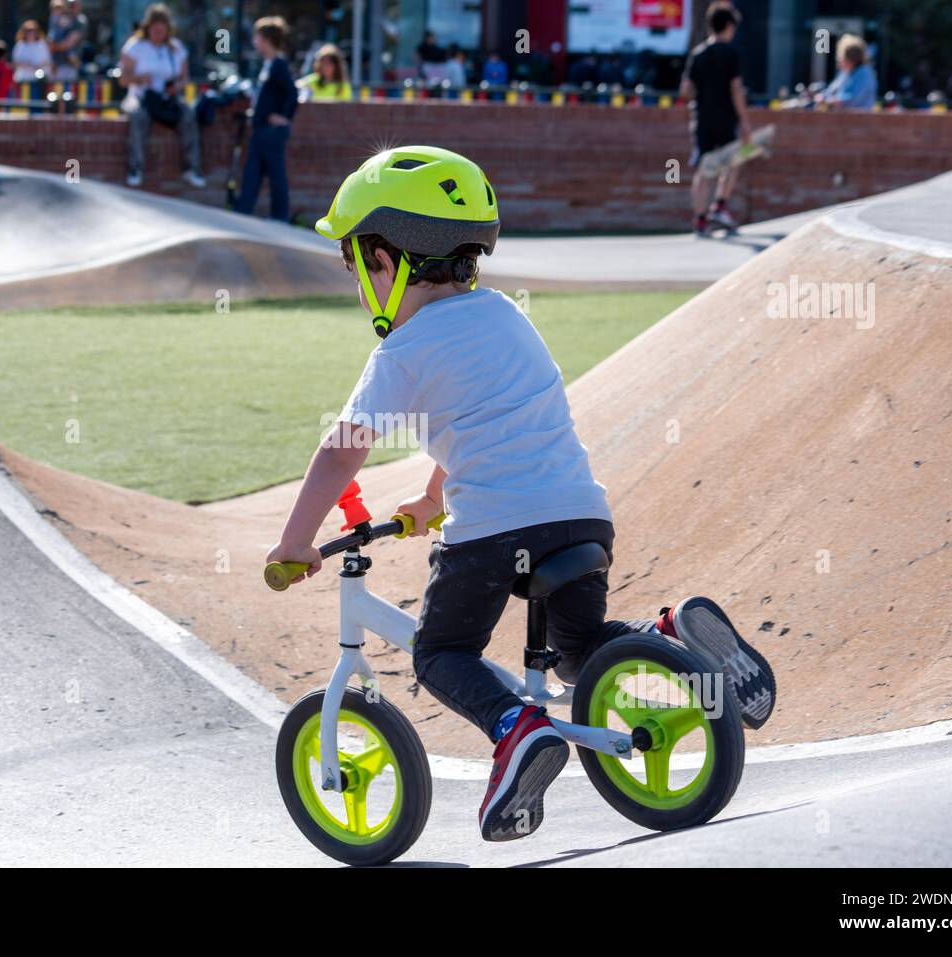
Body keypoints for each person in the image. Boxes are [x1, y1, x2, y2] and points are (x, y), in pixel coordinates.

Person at [266, 145, 776, 842]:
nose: (359, 287)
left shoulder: (401, 352)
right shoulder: (506, 315)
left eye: (357, 268)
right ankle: (670, 638)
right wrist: (430, 497)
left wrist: (296, 540)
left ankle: (516, 727)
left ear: (385, 261)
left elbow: (342, 448)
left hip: (496, 533)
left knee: (441, 653)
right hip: (581, 515)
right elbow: (492, 418)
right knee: (580, 655)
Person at [680, 1, 751, 235]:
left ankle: (700, 218)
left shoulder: (698, 54)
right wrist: (745, 121)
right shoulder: (732, 53)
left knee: (703, 169)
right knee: (734, 161)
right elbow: (736, 89)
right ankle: (720, 204)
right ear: (729, 26)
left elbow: (685, 89)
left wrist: (700, 94)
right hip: (726, 119)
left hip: (703, 120)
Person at [119, 3, 206, 189]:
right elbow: (123, 80)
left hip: (166, 99)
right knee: (138, 116)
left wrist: (176, 86)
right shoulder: (135, 47)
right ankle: (136, 168)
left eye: (162, 30)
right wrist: (140, 78)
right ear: (147, 28)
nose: (158, 33)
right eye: (154, 30)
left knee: (189, 114)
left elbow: (184, 78)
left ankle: (192, 168)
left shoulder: (176, 49)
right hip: (141, 96)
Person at [234, 16, 297, 221]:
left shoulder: (278, 64)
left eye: (257, 37)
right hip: (260, 130)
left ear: (266, 39)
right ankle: (242, 214)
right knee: (252, 174)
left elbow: (292, 93)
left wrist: (284, 117)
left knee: (276, 175)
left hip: (272, 132)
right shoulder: (268, 64)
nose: (254, 42)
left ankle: (280, 217)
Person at [818, 34, 877, 110]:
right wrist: (821, 96)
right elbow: (830, 91)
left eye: (842, 58)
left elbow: (853, 100)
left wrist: (829, 101)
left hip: (859, 119)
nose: (840, 62)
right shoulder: (845, 73)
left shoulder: (865, 73)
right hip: (840, 118)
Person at [49, 0, 88, 82]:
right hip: (57, 63)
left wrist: (53, 47)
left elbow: (68, 44)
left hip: (69, 65)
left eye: (74, 5)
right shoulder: (62, 18)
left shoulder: (80, 21)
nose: (72, 8)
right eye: (70, 5)